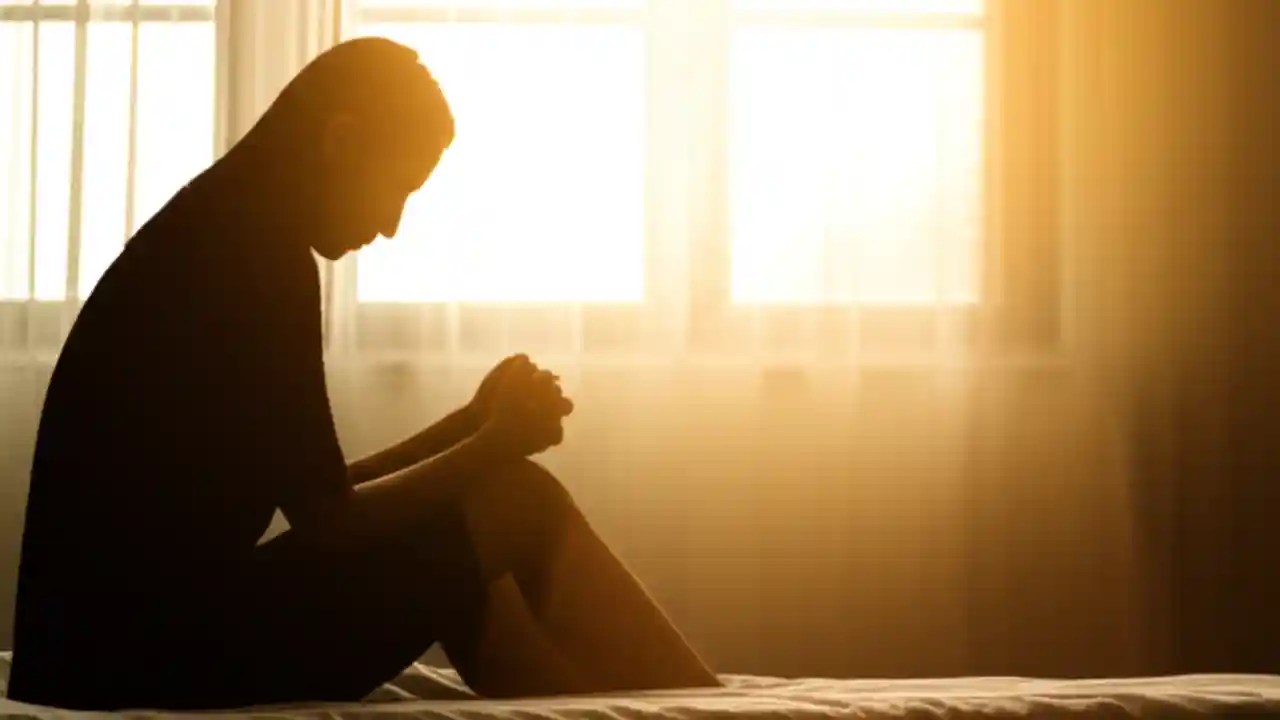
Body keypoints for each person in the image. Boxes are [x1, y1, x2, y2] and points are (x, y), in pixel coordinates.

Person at [8, 37, 719, 711]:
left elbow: (318, 496)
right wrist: (494, 445)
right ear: (341, 142)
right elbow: (333, 524)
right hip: (139, 664)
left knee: (463, 531)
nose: (391, 226)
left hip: (106, 656)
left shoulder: (222, 229)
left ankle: (642, 709)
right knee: (517, 500)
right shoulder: (253, 257)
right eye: (396, 190)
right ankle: (708, 709)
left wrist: (469, 427)